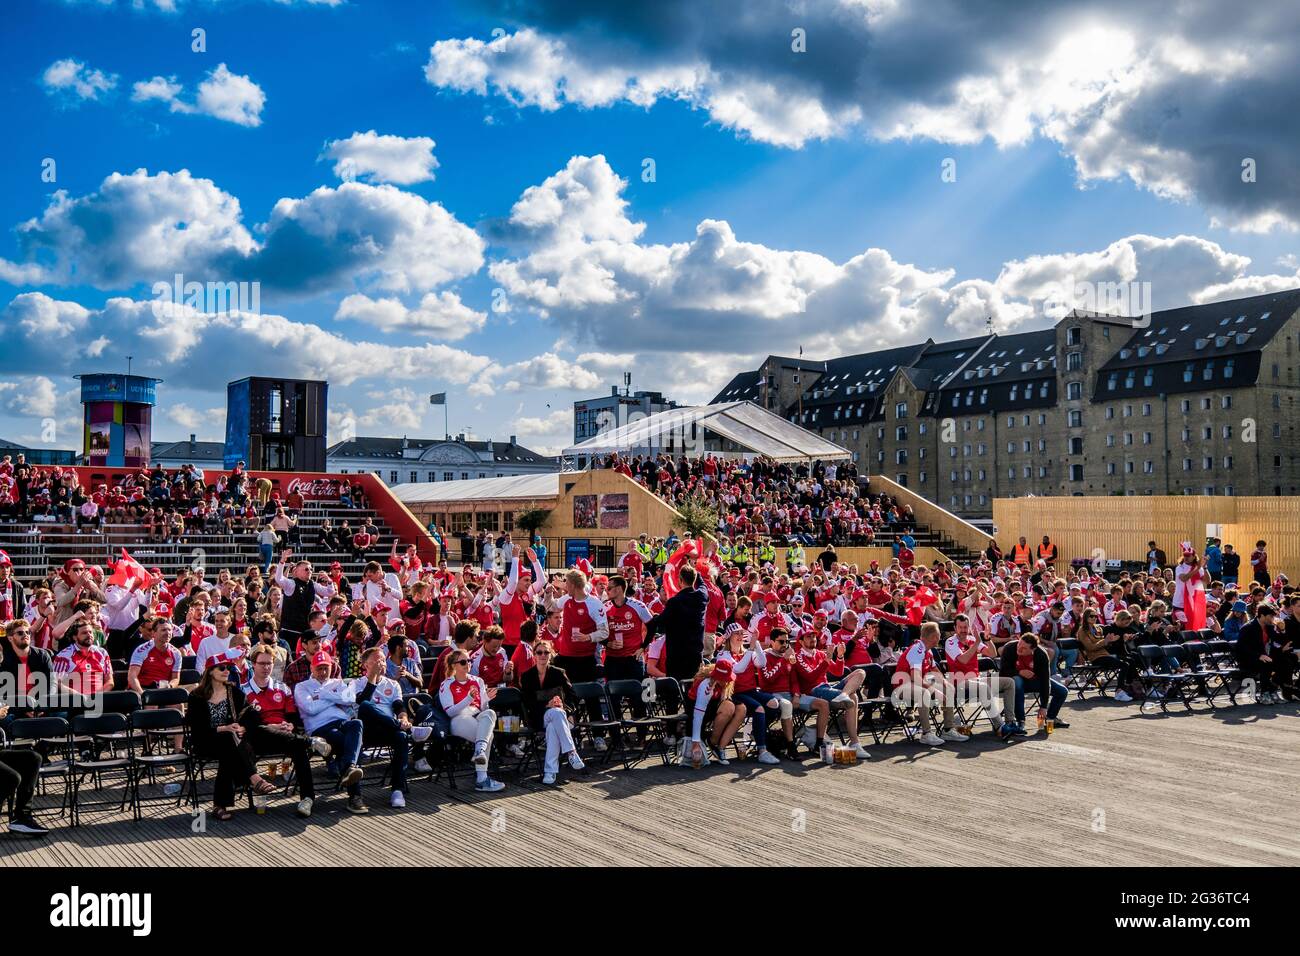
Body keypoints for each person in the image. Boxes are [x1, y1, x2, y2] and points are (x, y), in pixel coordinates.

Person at [186, 650, 278, 821]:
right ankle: (254, 778)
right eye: (221, 668)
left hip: (229, 742)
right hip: (205, 741)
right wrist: (224, 728)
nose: (226, 671)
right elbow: (197, 728)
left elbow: (252, 715)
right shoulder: (196, 696)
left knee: (229, 749)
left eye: (228, 668)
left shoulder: (233, 692)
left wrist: (242, 727)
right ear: (210, 671)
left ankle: (219, 806)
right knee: (230, 742)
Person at [242, 645, 327, 818]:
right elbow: (246, 724)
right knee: (255, 729)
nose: (266, 667)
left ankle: (307, 799)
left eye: (270, 663)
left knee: (298, 748)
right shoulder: (243, 691)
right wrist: (271, 728)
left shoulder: (283, 688)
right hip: (258, 738)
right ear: (253, 664)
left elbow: (292, 716)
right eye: (262, 663)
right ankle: (310, 741)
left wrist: (289, 725)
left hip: (284, 736)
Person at [293, 650, 369, 814]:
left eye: (325, 668)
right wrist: (333, 697)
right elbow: (310, 709)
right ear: (312, 668)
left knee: (356, 724)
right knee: (346, 742)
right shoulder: (302, 687)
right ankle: (355, 796)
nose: (322, 672)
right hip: (318, 728)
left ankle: (349, 768)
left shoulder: (338, 682)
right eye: (319, 668)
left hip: (341, 721)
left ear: (331, 667)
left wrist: (323, 696)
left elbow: (349, 700)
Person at [355, 647, 431, 809]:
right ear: (365, 665)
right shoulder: (357, 683)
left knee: (401, 737)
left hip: (388, 729)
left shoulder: (393, 684)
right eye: (376, 661)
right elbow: (361, 702)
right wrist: (373, 678)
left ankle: (397, 790)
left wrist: (403, 719)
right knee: (366, 706)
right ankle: (410, 731)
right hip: (366, 731)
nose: (381, 664)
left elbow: (398, 706)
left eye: (383, 660)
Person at [518, 638, 585, 785]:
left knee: (554, 724)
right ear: (534, 655)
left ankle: (550, 772)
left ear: (551, 654)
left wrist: (567, 710)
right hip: (538, 717)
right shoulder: (527, 676)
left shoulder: (558, 673)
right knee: (555, 714)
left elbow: (572, 696)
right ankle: (571, 752)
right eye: (539, 652)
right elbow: (527, 702)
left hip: (561, 717)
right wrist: (547, 705)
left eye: (546, 652)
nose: (543, 655)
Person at [438, 649, 505, 792]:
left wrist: (486, 698)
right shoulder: (447, 684)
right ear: (454, 665)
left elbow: (482, 707)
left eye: (469, 661)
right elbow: (450, 712)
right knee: (488, 736)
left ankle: (479, 754)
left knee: (490, 713)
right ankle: (481, 777)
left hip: (476, 715)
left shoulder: (478, 681)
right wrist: (468, 698)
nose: (467, 664)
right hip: (458, 719)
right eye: (463, 662)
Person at [644, 564, 709, 681]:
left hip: (677, 657)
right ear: (693, 579)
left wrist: (654, 617)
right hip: (695, 654)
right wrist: (694, 568)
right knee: (692, 690)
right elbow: (703, 584)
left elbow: (661, 623)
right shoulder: (702, 596)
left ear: (680, 580)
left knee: (675, 691)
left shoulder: (674, 601)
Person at [1000, 633, 1069, 731]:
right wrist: (1019, 672)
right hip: (1013, 684)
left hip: (1034, 681)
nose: (1019, 648)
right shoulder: (1010, 648)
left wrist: (1043, 706)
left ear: (1033, 649)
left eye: (1024, 648)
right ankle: (1020, 721)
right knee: (1017, 681)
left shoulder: (1041, 654)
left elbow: (1045, 681)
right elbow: (1003, 672)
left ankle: (1051, 718)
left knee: (1062, 691)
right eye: (1019, 644)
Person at [551, 568, 608, 683]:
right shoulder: (567, 599)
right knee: (567, 696)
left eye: (566, 583)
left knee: (589, 696)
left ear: (572, 585)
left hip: (585, 659)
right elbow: (551, 607)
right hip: (565, 656)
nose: (565, 586)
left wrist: (588, 637)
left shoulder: (595, 604)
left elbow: (604, 632)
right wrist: (548, 594)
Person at [686, 657, 745, 767]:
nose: (728, 681)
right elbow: (698, 715)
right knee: (729, 707)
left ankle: (720, 747)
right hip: (696, 709)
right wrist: (695, 742)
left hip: (712, 704)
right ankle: (713, 742)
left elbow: (723, 698)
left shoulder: (724, 682)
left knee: (741, 709)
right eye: (724, 678)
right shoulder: (706, 685)